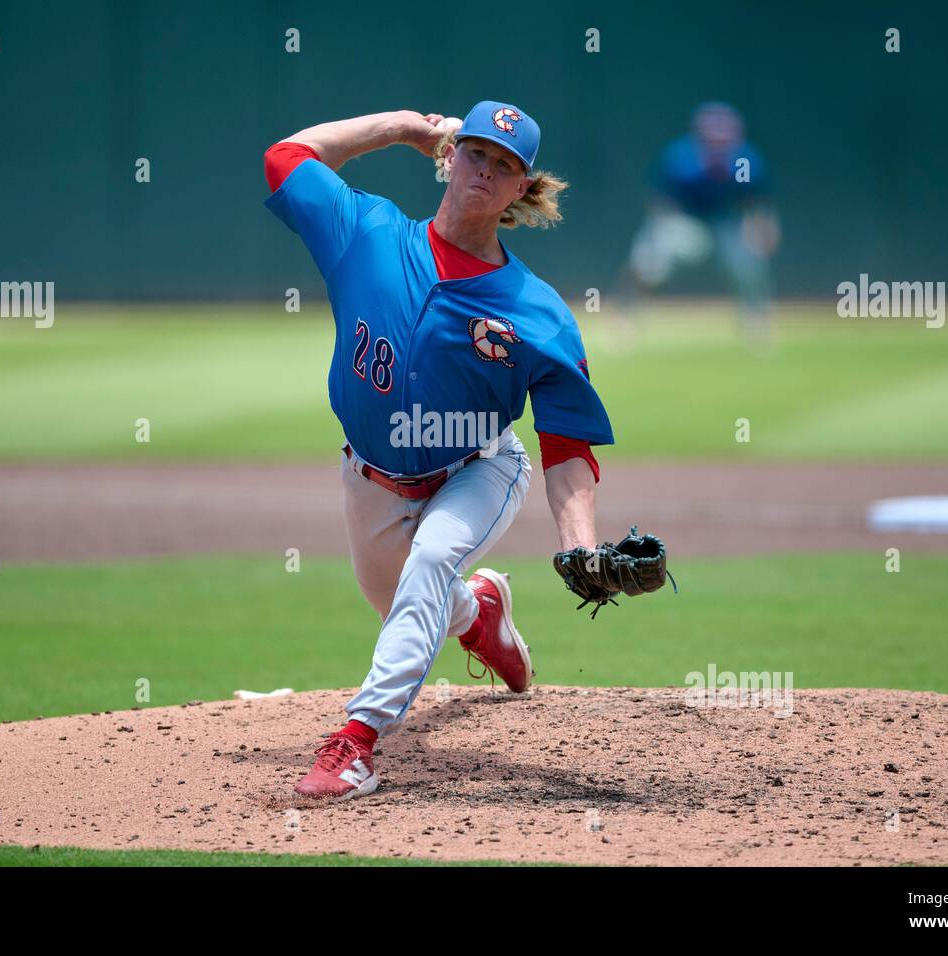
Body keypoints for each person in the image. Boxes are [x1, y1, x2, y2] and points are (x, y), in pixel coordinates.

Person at [263, 101, 613, 800]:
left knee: (431, 559)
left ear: (521, 189)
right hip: (370, 480)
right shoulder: (365, 230)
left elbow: (566, 441)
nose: (487, 169)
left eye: (506, 165)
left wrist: (580, 545)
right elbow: (286, 158)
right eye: (477, 152)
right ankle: (480, 613)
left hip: (478, 468)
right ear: (450, 158)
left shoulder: (536, 311)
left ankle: (356, 744)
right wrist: (400, 127)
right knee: (403, 599)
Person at [621, 102, 780, 344]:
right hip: (685, 222)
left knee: (748, 263)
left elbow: (754, 202)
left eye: (725, 136)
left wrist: (761, 229)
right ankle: (625, 318)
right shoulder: (683, 159)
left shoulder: (743, 161)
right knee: (648, 265)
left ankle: (757, 323)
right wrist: (657, 236)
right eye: (714, 136)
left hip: (725, 222)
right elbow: (662, 204)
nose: (720, 142)